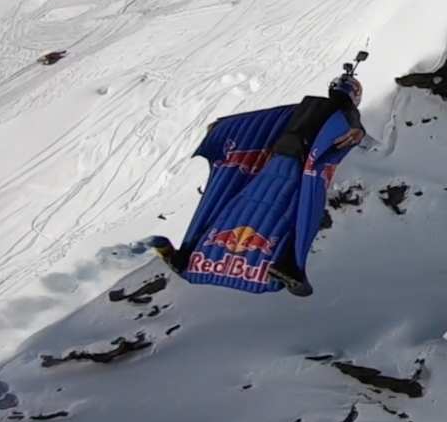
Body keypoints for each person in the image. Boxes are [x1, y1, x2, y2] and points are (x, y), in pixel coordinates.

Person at [147, 63, 368, 297]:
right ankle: (289, 266)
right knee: (297, 215)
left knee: (241, 206)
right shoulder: (345, 113)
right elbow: (352, 127)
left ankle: (188, 254)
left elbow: (264, 119)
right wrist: (357, 131)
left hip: (275, 158)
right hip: (303, 167)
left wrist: (224, 126)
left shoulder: (304, 106)